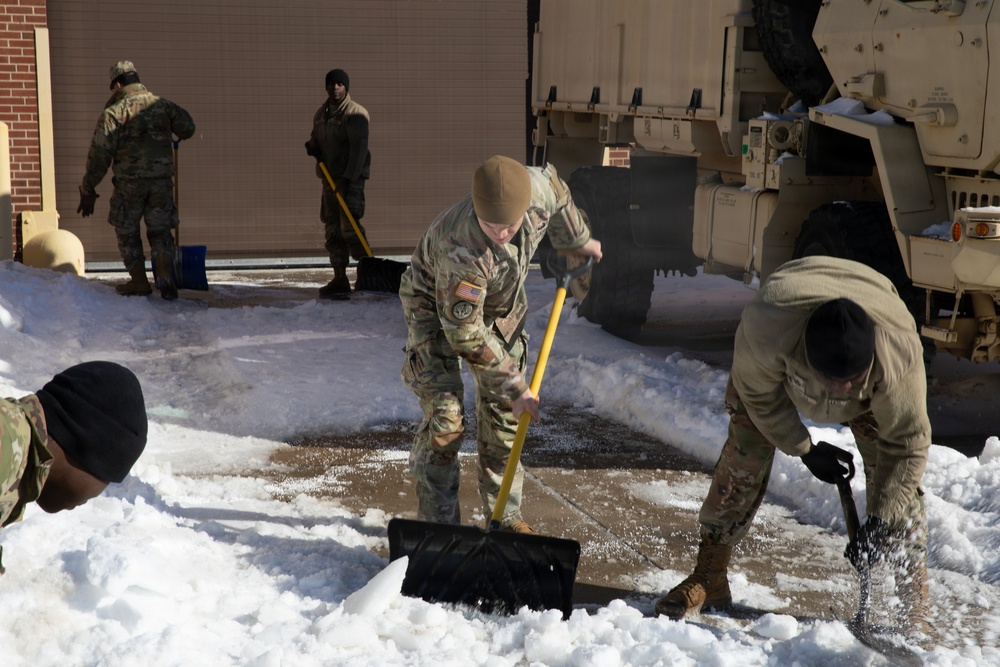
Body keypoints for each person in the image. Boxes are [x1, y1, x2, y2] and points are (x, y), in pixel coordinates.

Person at [655, 255, 931, 634]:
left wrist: (882, 520)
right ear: (805, 357)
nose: (841, 393)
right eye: (832, 380)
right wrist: (805, 449)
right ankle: (710, 574)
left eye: (852, 381)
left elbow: (908, 445)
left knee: (898, 481)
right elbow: (760, 399)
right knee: (745, 449)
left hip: (876, 328)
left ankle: (912, 598)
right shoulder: (767, 331)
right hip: (785, 325)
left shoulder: (897, 354)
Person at [399, 155, 602, 533]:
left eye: (509, 226)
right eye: (491, 226)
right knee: (446, 423)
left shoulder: (536, 191)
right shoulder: (461, 249)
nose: (502, 234)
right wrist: (516, 385)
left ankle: (506, 518)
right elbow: (466, 333)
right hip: (437, 312)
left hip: (500, 304)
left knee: (506, 418)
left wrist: (578, 239)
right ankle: (439, 528)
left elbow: (558, 192)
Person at [0, 361, 148, 573]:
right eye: (108, 476)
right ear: (83, 445)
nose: (97, 494)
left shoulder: (17, 455)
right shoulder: (5, 443)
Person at [77, 60, 196, 301]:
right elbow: (189, 128)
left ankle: (140, 282)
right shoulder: (163, 105)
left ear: (118, 85)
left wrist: (88, 189)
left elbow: (100, 155)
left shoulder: (113, 114)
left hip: (129, 184)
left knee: (127, 230)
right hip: (161, 182)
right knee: (161, 229)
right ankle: (164, 274)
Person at [304, 68, 371, 299]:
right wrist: (313, 146)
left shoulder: (355, 114)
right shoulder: (321, 115)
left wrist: (346, 179)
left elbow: (359, 151)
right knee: (332, 229)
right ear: (326, 87)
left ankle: (369, 274)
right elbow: (316, 138)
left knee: (349, 228)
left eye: (340, 84)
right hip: (329, 181)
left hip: (349, 181)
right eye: (332, 84)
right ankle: (340, 278)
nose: (335, 88)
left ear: (346, 87)